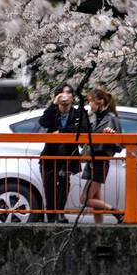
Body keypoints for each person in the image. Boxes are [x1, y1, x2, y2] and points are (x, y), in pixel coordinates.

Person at [38, 84, 85, 223]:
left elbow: (82, 131)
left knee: (64, 184)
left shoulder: (79, 113)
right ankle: (51, 216)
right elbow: (43, 122)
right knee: (49, 186)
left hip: (68, 156)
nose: (65, 96)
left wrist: (62, 133)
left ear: (72, 97)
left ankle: (60, 212)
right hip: (49, 155)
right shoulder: (52, 112)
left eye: (68, 92)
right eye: (62, 93)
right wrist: (53, 105)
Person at [80, 87, 124, 223]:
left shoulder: (111, 119)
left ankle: (117, 212)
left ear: (100, 101)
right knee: (95, 197)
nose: (90, 105)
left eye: (91, 102)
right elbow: (84, 138)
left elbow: (120, 144)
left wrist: (112, 136)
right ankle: (99, 226)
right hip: (93, 160)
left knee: (85, 199)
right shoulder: (94, 118)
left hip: (100, 160)